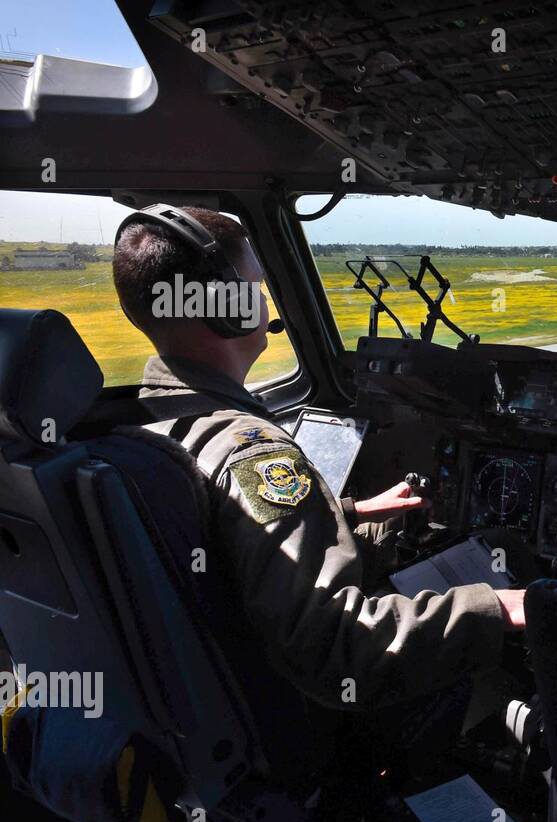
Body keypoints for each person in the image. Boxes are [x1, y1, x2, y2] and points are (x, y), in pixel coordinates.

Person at [111, 206, 526, 727]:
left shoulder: (149, 424)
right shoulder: (251, 451)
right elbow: (335, 648)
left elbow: (223, 535)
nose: (264, 302)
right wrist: (499, 609)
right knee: (510, 594)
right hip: (310, 729)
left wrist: (346, 512)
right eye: (257, 288)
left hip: (216, 707)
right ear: (224, 305)